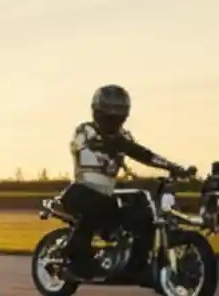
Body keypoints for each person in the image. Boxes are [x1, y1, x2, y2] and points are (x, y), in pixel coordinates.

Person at [61, 85, 192, 279]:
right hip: (81, 190)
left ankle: (137, 264)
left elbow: (142, 154)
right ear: (97, 112)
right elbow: (79, 144)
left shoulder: (125, 137)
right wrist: (107, 145)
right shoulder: (85, 130)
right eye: (109, 115)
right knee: (95, 209)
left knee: (142, 213)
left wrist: (172, 167)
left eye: (118, 116)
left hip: (107, 194)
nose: (113, 120)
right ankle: (76, 262)